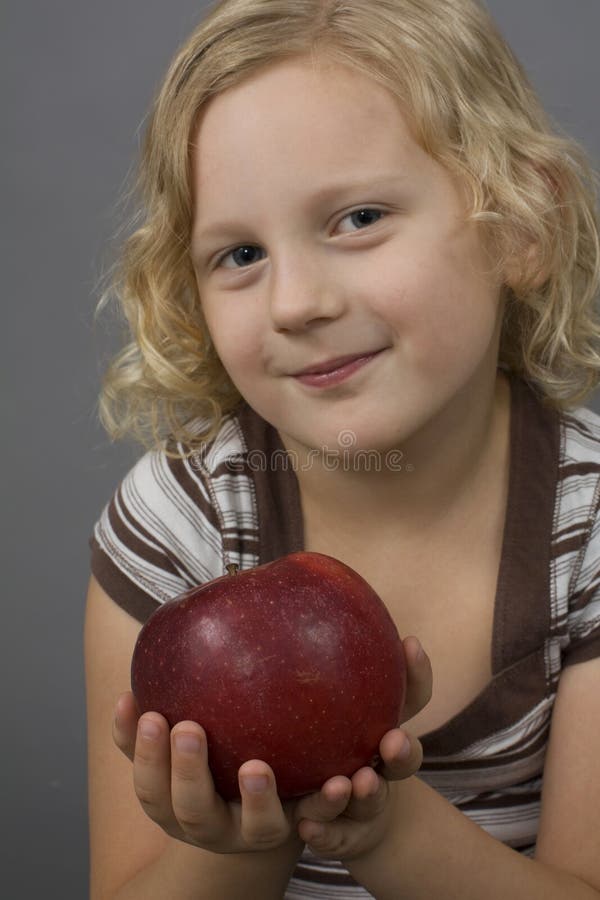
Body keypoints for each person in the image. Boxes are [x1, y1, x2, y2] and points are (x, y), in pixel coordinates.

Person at [84, 0, 600, 897]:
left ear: (522, 226)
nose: (295, 303)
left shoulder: (588, 528)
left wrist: (382, 827)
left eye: (358, 218)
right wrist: (244, 836)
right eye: (240, 253)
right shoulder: (181, 521)